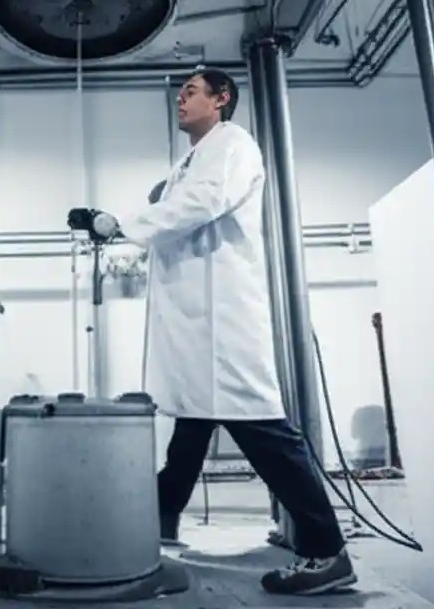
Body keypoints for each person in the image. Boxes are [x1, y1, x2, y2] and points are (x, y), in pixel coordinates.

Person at [69, 68, 355, 596]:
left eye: (192, 92)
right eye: (179, 93)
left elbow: (202, 205)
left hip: (223, 321)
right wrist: (135, 223)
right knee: (192, 425)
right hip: (198, 323)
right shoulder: (189, 162)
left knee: (262, 429)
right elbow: (176, 209)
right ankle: (157, 521)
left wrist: (126, 223)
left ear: (222, 99)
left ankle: (327, 550)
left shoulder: (233, 145)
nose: (181, 99)